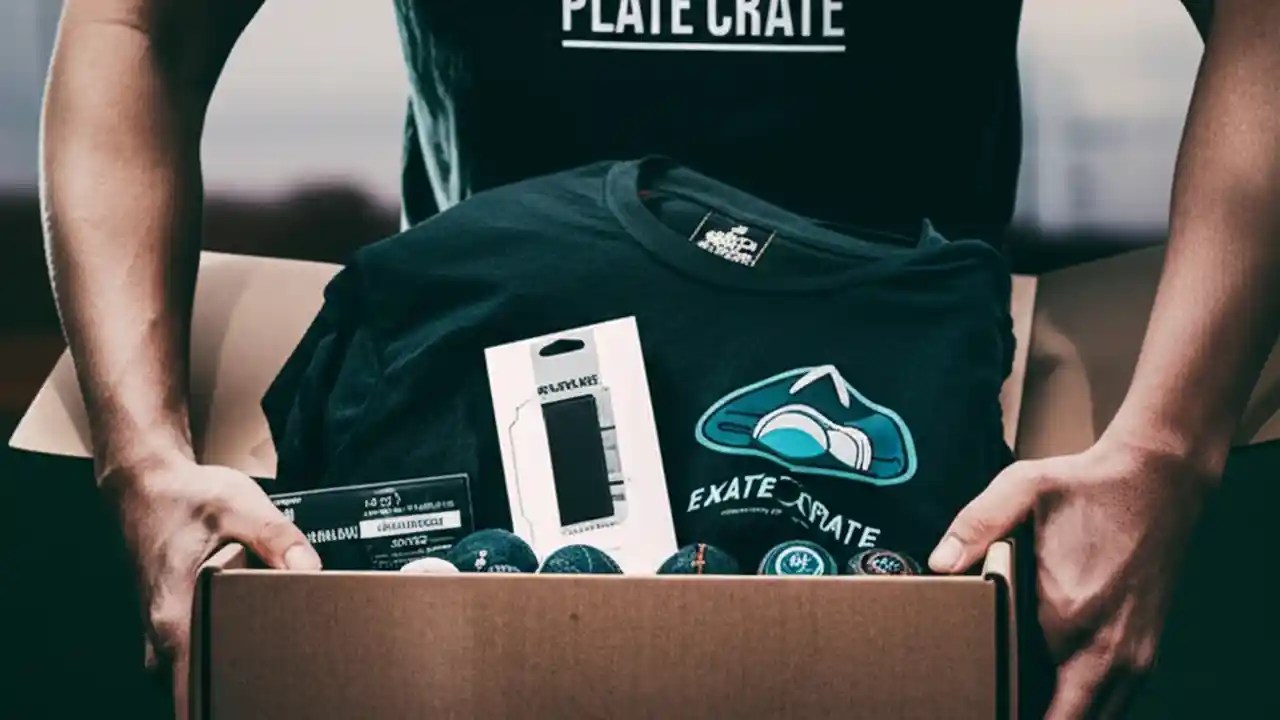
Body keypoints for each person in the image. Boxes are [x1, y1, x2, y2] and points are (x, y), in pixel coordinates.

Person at [39, 0, 1279, 717]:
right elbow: (138, 19)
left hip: (917, 457)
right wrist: (138, 461)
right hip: (477, 438)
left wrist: (1164, 449)